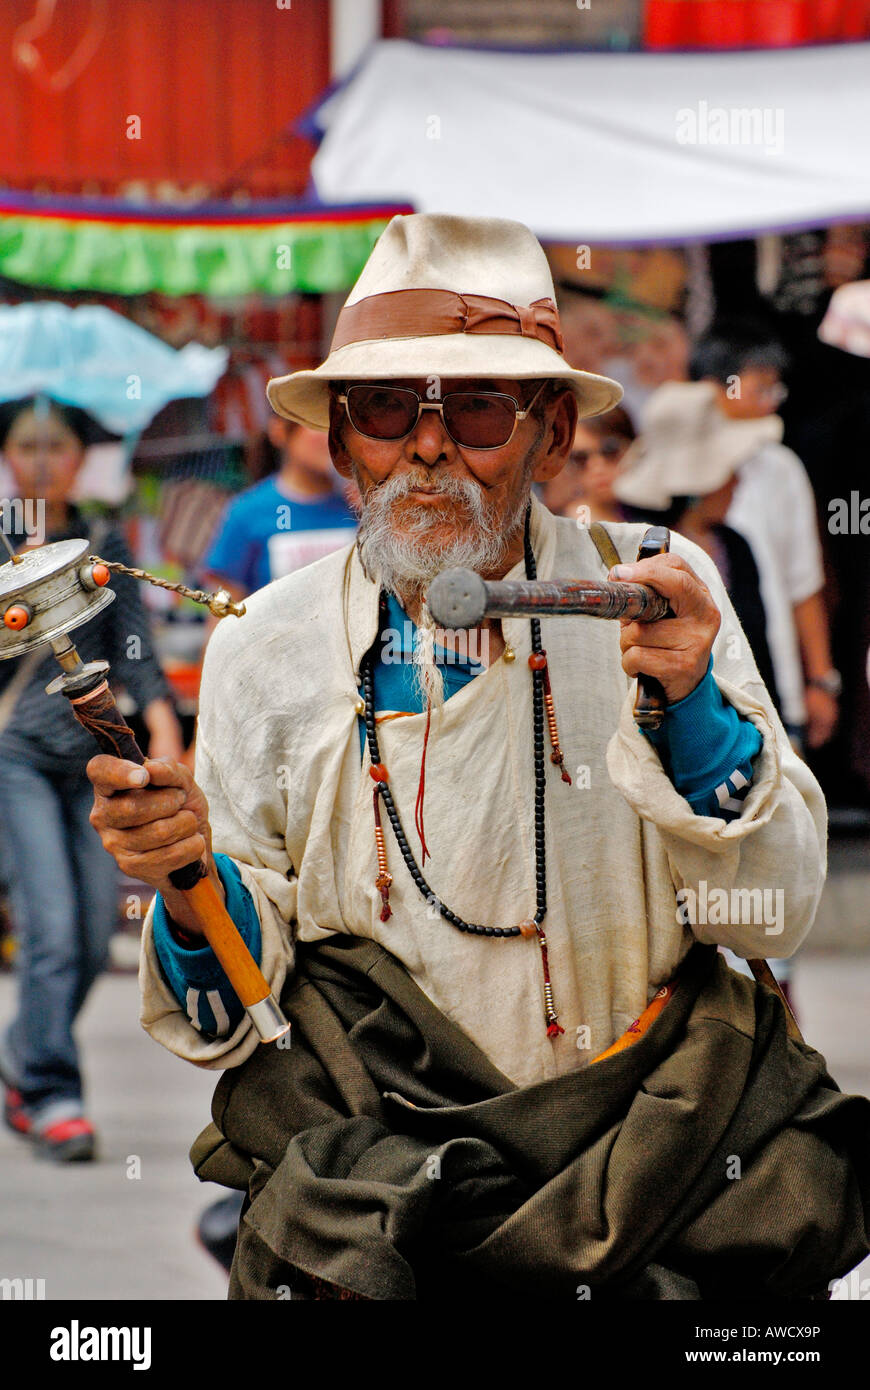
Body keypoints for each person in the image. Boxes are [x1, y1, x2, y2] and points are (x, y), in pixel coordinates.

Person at [87, 216, 866, 1300]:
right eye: (390, 406)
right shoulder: (266, 645)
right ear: (347, 439)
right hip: (385, 1200)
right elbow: (242, 1010)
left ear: (552, 437)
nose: (429, 446)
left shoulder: (650, 593)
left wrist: (688, 705)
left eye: (480, 409)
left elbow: (769, 912)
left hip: (645, 1183)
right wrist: (184, 885)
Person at [0, 395, 184, 1161]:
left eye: (57, 447)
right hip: (15, 755)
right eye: (26, 446)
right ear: (9, 458)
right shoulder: (1, 542)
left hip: (93, 760)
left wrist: (166, 731)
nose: (42, 460)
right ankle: (50, 1090)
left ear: (80, 458)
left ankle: (20, 1059)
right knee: (48, 929)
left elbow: (136, 648)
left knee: (85, 933)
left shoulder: (102, 541)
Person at [690, 322, 838, 753]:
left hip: (774, 687)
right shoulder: (671, 462)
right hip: (695, 694)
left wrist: (820, 680)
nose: (772, 403)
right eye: (761, 389)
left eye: (776, 390)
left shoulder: (780, 467)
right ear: (712, 389)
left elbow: (803, 583)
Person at [198, 416, 358, 610]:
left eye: (341, 426)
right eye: (318, 424)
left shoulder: (363, 505)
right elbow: (224, 612)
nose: (333, 437)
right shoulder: (248, 512)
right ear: (280, 431)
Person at [541, 405, 635, 523]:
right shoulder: (573, 524)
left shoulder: (654, 508)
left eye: (610, 450)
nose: (597, 468)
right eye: (580, 458)